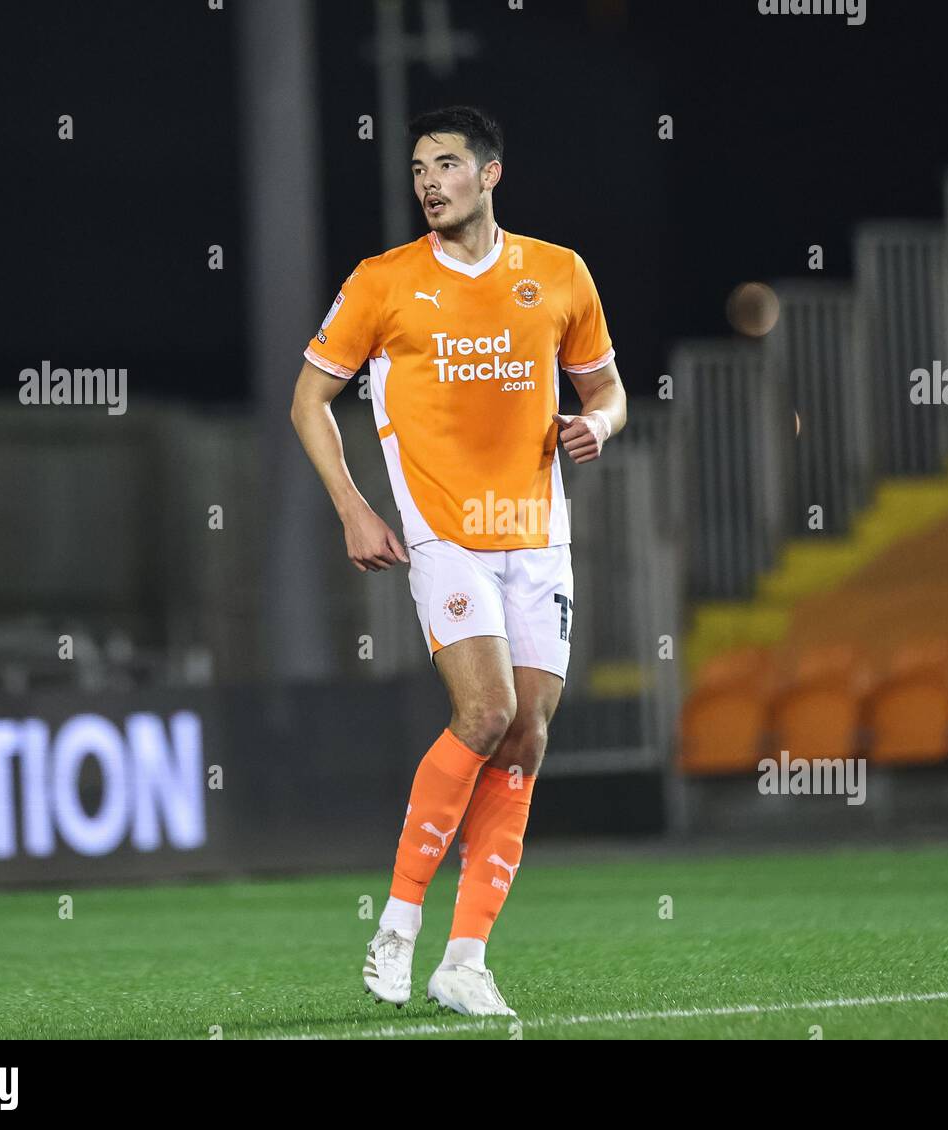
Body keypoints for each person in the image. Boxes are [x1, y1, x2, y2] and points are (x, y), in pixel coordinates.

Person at [291, 105, 626, 1017]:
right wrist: (355, 507)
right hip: (445, 534)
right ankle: (399, 925)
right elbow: (309, 399)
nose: (428, 182)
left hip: (538, 535)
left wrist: (596, 425)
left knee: (527, 736)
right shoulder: (383, 282)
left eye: (444, 164)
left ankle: (464, 959)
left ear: (490, 173)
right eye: (417, 170)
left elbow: (606, 387)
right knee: (485, 712)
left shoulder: (559, 272)